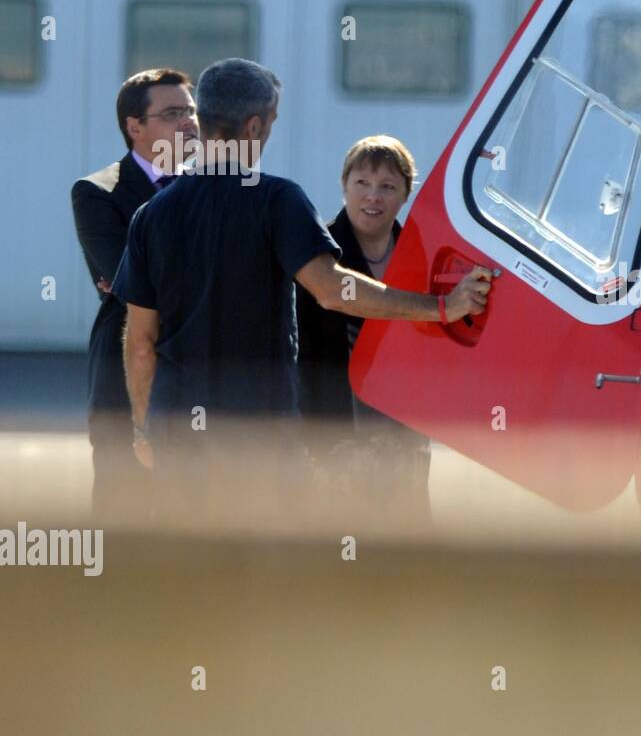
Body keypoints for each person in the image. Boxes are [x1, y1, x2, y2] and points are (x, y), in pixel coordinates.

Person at [112, 58, 490, 520]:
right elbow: (334, 291)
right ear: (254, 127)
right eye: (270, 122)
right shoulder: (277, 199)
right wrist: (442, 307)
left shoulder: (152, 214)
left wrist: (143, 430)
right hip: (260, 432)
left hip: (174, 430)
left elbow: (140, 344)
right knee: (266, 574)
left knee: (189, 572)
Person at [70, 68, 196, 518]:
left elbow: (134, 278)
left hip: (195, 362)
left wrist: (141, 275)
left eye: (191, 111)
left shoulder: (211, 188)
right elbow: (124, 276)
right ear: (134, 126)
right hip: (123, 361)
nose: (189, 123)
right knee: (122, 499)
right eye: (172, 113)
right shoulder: (97, 191)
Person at [296, 136, 433, 516]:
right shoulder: (315, 252)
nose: (373, 196)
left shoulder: (424, 254)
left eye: (388, 187)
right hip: (332, 432)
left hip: (404, 434)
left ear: (405, 194)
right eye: (362, 184)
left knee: (406, 544)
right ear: (344, 186)